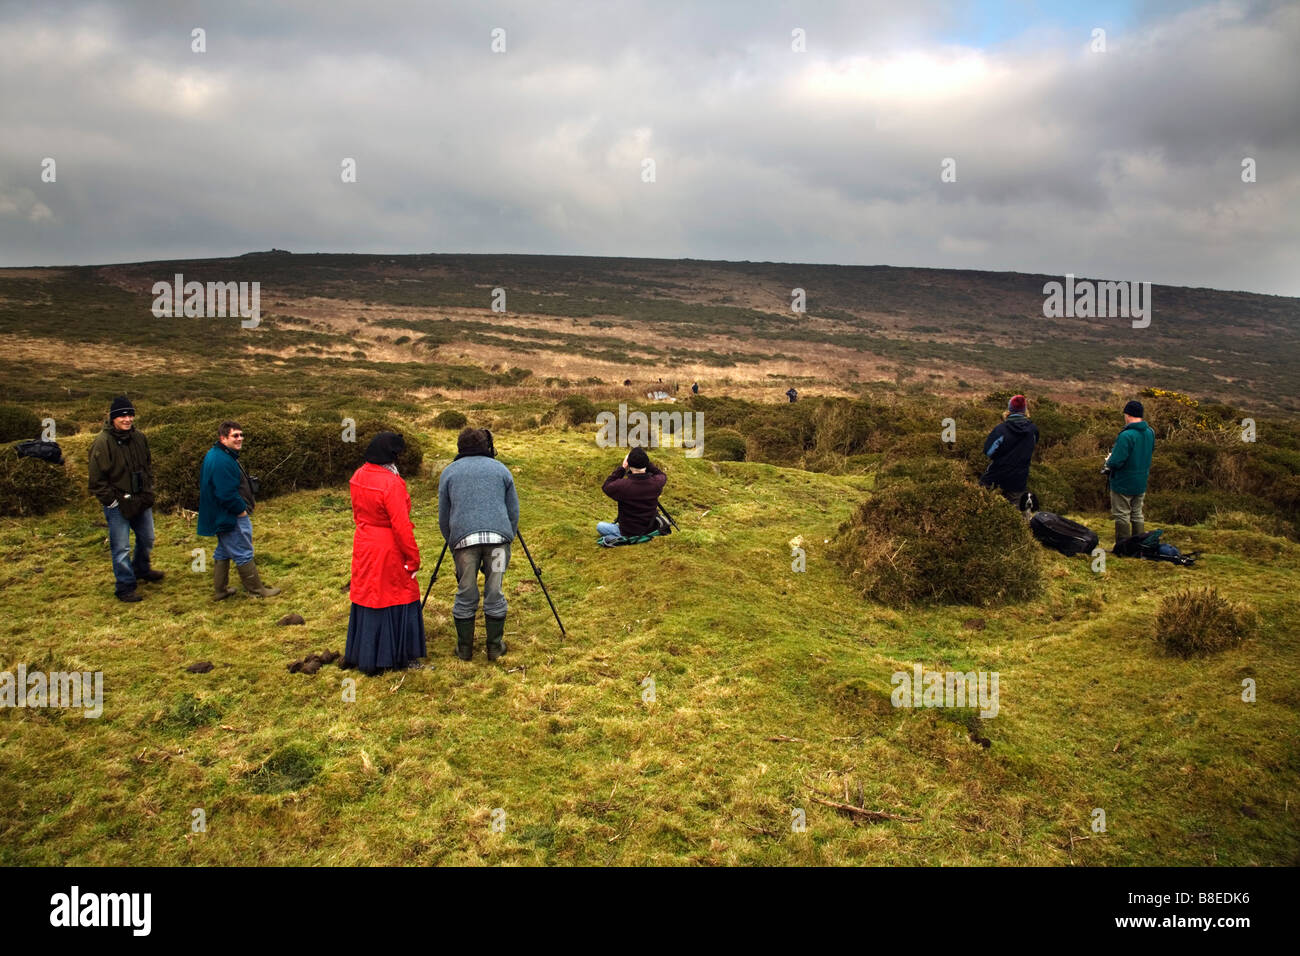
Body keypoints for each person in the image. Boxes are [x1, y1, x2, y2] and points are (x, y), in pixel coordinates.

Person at [341, 432, 424, 674]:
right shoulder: (391, 483)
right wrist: (413, 558)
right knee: (399, 594)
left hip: (365, 541)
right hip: (388, 547)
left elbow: (358, 513)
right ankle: (398, 655)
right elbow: (401, 525)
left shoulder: (358, 475)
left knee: (369, 594)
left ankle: (366, 651)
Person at [438, 428, 518, 661]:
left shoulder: (449, 473)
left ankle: (464, 649)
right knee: (495, 590)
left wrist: (452, 542)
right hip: (499, 541)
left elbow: (444, 515)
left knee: (466, 591)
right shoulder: (501, 470)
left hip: (463, 541)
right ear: (486, 446)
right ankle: (494, 647)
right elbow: (513, 511)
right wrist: (508, 536)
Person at [88, 395, 161, 602]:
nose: (127, 419)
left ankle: (141, 569)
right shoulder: (102, 443)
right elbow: (96, 479)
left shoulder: (139, 438)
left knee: (147, 538)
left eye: (130, 415)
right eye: (122, 416)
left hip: (141, 499)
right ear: (113, 418)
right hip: (118, 503)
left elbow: (147, 465)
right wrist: (111, 501)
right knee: (121, 547)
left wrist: (148, 489)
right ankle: (125, 586)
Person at [197, 420, 280, 598]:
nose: (240, 438)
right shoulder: (222, 461)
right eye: (235, 435)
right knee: (243, 550)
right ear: (223, 438)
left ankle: (220, 590)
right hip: (229, 515)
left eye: (241, 435)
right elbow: (225, 494)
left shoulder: (218, 454)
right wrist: (241, 510)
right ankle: (257, 590)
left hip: (220, 514)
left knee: (224, 549)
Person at [1105, 399, 1156, 549]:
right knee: (1137, 513)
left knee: (1122, 514)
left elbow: (1116, 461)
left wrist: (1108, 463)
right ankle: (1139, 544)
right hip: (1141, 480)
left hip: (1123, 481)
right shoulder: (1150, 433)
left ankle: (1123, 546)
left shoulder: (1126, 436)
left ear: (1127, 415)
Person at [980, 395, 1039, 507]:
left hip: (997, 473)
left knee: (980, 499)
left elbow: (988, 451)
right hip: (1019, 477)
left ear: (1009, 409)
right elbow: (1033, 444)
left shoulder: (1001, 429)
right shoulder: (1033, 430)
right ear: (1025, 409)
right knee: (1015, 510)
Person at [598, 447, 667, 543]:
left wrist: (622, 468)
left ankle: (624, 537)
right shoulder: (656, 483)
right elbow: (662, 475)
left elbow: (606, 486)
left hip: (628, 531)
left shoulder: (623, 486)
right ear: (646, 464)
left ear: (629, 464)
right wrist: (647, 463)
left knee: (600, 526)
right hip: (649, 528)